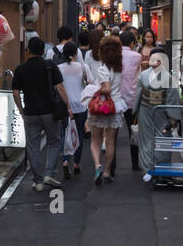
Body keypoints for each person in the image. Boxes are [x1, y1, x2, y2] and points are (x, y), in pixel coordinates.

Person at [12, 34, 71, 191]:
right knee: (54, 141)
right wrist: (68, 106)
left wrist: (21, 110)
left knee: (33, 146)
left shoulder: (21, 69)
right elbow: (60, 87)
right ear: (42, 51)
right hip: (50, 112)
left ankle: (38, 181)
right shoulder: (50, 66)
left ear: (28, 50)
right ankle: (49, 173)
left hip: (30, 112)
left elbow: (16, 92)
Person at [82, 34, 127, 186]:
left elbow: (106, 88)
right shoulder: (119, 69)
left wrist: (96, 89)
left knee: (96, 140)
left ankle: (97, 166)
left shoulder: (103, 69)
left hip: (101, 107)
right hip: (116, 106)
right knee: (111, 142)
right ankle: (107, 171)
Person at [133, 53, 180, 182]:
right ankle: (148, 168)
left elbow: (172, 96)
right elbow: (139, 92)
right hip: (145, 109)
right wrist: (136, 110)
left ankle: (162, 167)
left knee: (163, 137)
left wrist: (173, 117)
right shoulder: (143, 75)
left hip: (162, 111)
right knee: (146, 139)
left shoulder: (168, 78)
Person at [58, 40, 88, 178]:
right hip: (81, 105)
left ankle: (65, 161)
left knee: (66, 134)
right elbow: (92, 83)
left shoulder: (59, 68)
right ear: (77, 53)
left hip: (65, 106)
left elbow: (57, 87)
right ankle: (76, 163)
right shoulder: (83, 67)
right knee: (79, 135)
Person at [118, 27, 143, 173]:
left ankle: (111, 167)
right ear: (133, 43)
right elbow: (138, 75)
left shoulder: (115, 55)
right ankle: (135, 164)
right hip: (133, 98)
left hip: (117, 98)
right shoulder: (137, 56)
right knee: (134, 131)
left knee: (112, 135)